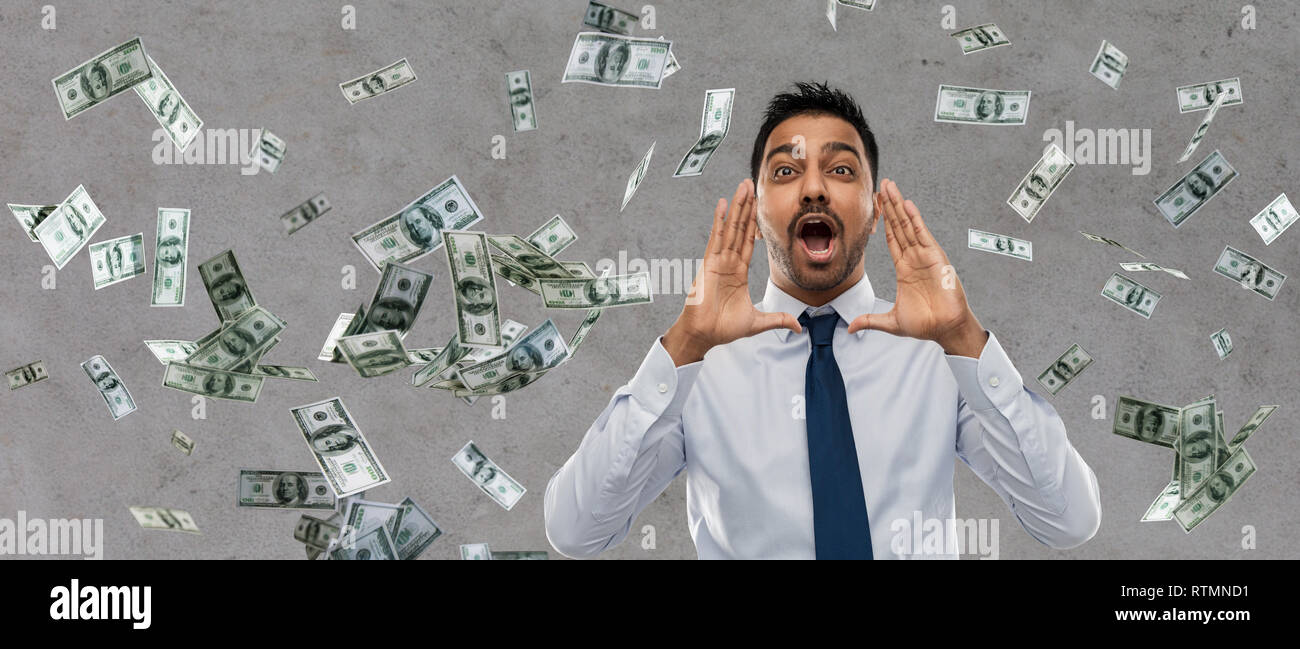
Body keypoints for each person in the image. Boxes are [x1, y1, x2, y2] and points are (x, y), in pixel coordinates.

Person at [544, 82, 1101, 559]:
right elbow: (576, 532)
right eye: (786, 171)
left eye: (839, 169)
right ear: (758, 207)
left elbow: (1068, 521)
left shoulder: (939, 356)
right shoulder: (697, 368)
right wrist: (685, 343)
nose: (813, 187)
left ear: (875, 207)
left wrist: (963, 338)